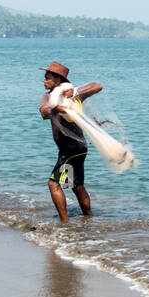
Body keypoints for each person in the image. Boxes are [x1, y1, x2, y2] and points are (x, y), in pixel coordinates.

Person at [39, 60, 103, 223]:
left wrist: (74, 92)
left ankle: (65, 223)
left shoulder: (72, 94)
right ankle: (88, 220)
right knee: (76, 185)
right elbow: (44, 112)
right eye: (44, 77)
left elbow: (97, 86)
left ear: (58, 80)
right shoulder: (47, 97)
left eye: (47, 78)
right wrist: (55, 108)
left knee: (53, 184)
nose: (44, 81)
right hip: (78, 148)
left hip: (72, 147)